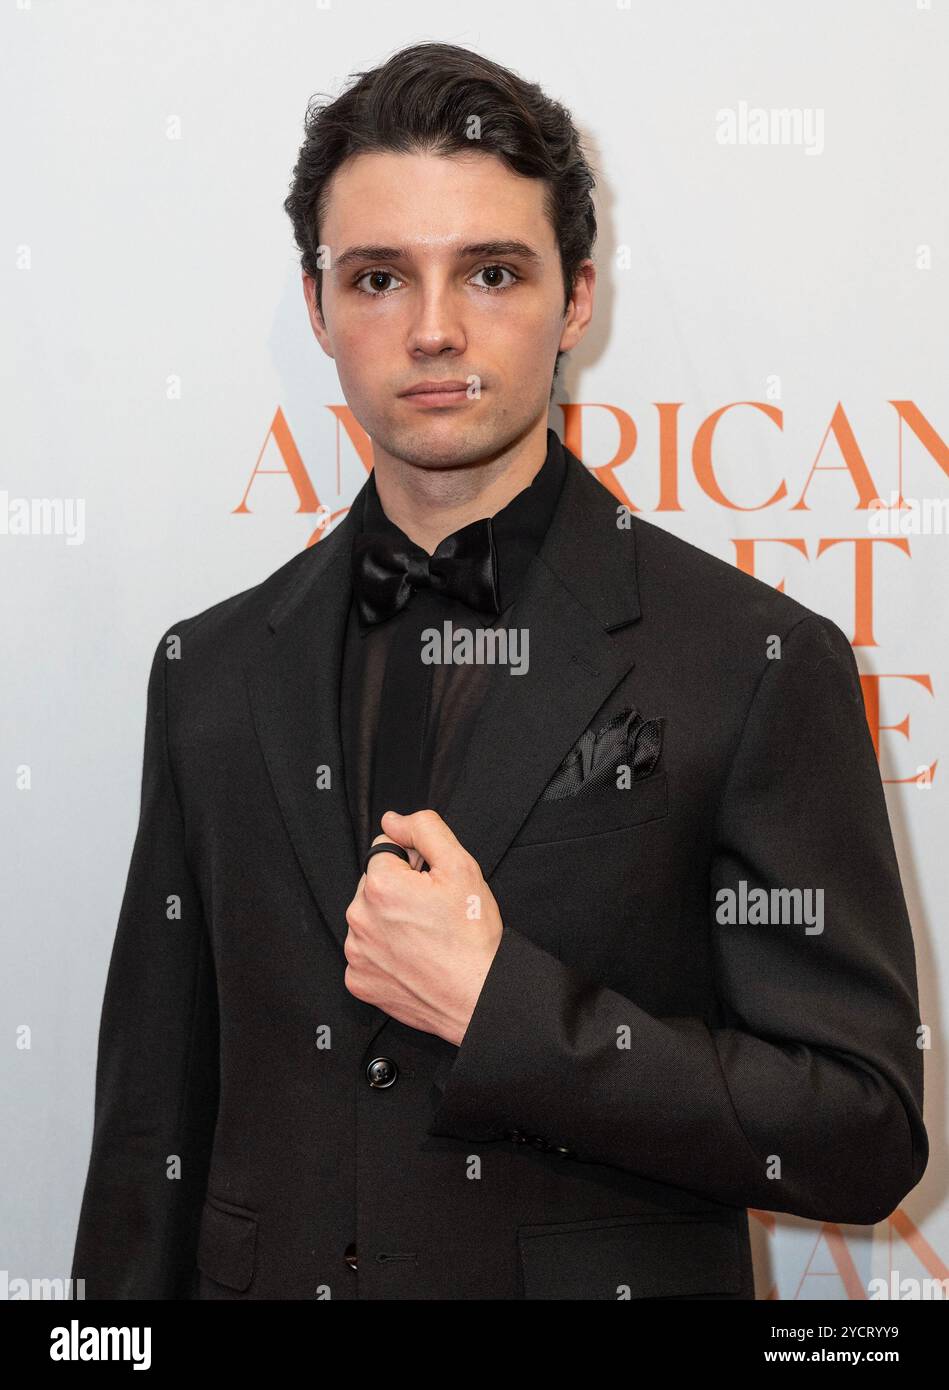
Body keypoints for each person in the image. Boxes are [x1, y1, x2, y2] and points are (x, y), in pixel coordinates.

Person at [71, 40, 928, 1301]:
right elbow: (152, 1132)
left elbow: (859, 1130)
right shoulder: (206, 671)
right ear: (316, 308)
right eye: (377, 277)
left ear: (577, 297)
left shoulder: (751, 663)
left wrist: (506, 1010)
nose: (432, 329)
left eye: (490, 270)